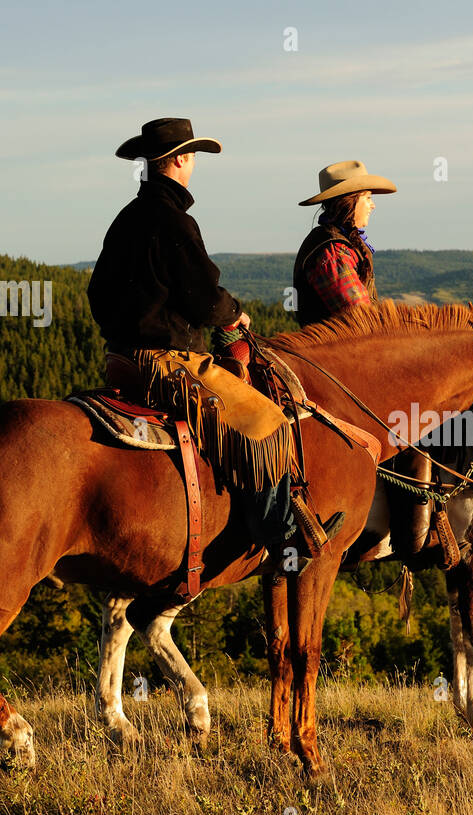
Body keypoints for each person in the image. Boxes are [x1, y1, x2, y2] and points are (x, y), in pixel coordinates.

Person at [88, 118, 339, 565]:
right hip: (167, 362)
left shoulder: (124, 219)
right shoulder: (174, 221)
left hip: (121, 357)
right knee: (266, 423)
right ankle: (281, 538)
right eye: (193, 156)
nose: (194, 163)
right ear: (182, 158)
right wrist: (235, 313)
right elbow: (203, 299)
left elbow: (97, 295)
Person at [293, 161, 396, 326]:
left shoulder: (338, 242)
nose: (373, 205)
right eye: (368, 198)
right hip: (336, 351)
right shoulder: (334, 253)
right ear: (350, 201)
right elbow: (362, 318)